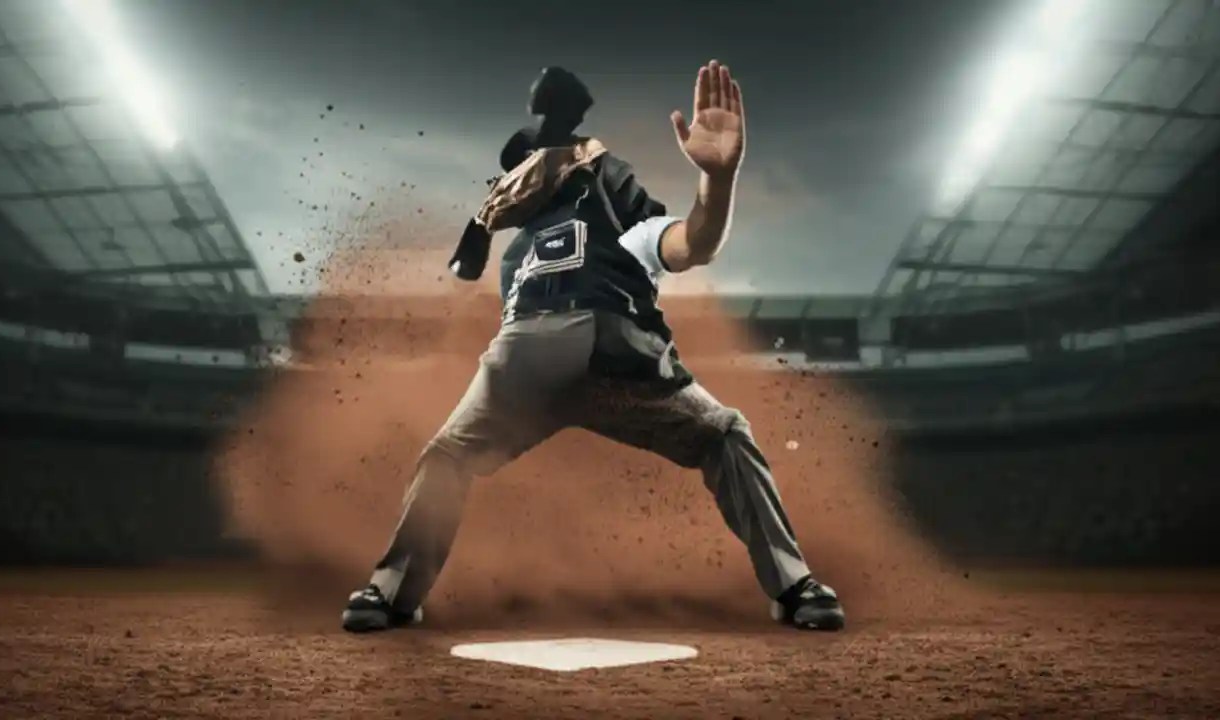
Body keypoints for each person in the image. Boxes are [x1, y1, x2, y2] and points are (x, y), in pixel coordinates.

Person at [343, 60, 845, 633]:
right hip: (533, 359)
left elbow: (690, 244)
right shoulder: (514, 247)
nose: (531, 168)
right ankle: (392, 592)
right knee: (446, 455)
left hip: (619, 360)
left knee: (727, 433)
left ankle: (792, 583)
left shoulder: (615, 200)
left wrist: (719, 180)